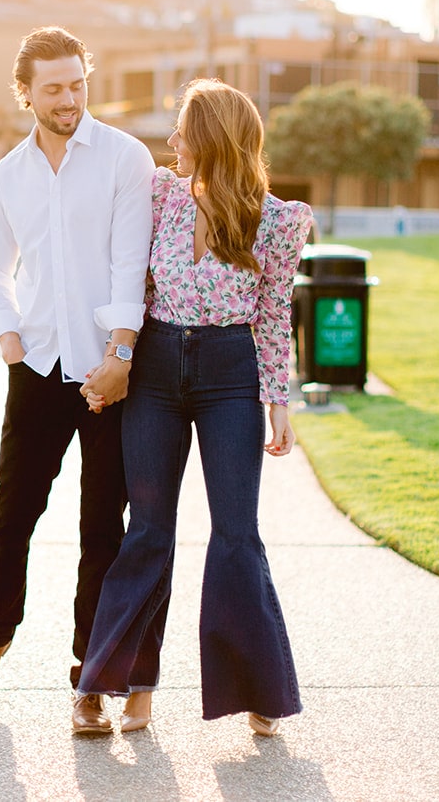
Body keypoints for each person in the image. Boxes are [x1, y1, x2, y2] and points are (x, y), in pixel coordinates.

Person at [78, 78, 313, 737]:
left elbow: (274, 314)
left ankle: (259, 688)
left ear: (211, 138)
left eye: (183, 128)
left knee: (237, 532)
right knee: (148, 531)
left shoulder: (278, 220)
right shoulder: (159, 194)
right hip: (155, 370)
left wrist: (278, 401)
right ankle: (127, 685)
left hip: (229, 374)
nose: (173, 139)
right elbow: (125, 273)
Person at [0, 26, 155, 736]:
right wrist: (9, 341)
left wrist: (121, 354)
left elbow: (131, 263)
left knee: (102, 525)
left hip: (110, 370)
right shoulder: (8, 176)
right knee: (14, 512)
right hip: (37, 368)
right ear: (26, 94)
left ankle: (91, 676)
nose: (69, 99)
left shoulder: (126, 158)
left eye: (77, 84)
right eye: (54, 89)